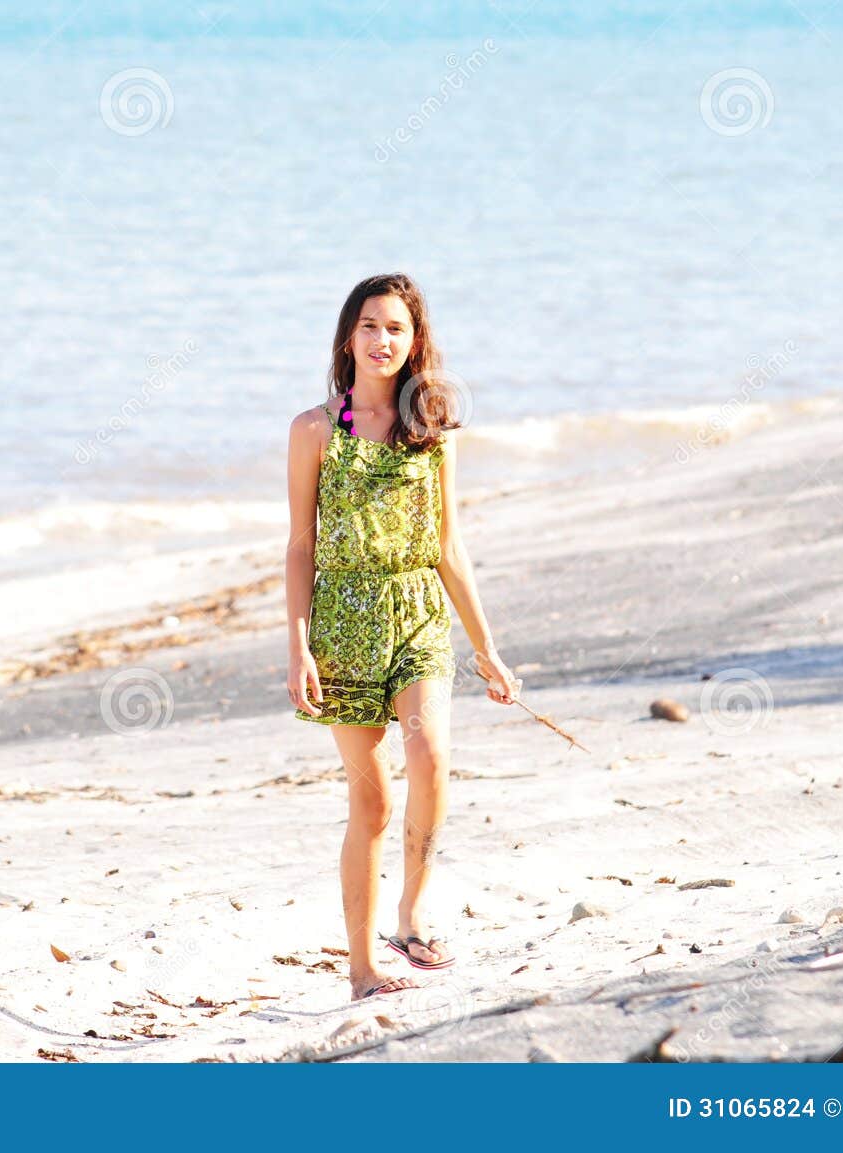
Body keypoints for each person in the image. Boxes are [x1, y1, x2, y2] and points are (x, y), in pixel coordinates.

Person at [284, 272, 521, 1002]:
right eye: (369, 326)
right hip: (343, 622)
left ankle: (413, 910)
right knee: (374, 802)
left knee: (431, 752)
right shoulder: (315, 430)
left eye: (397, 328)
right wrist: (297, 646)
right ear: (347, 337)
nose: (382, 340)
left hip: (418, 610)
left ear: (416, 340)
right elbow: (300, 545)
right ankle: (361, 968)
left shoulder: (433, 431)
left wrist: (486, 646)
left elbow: (450, 545)